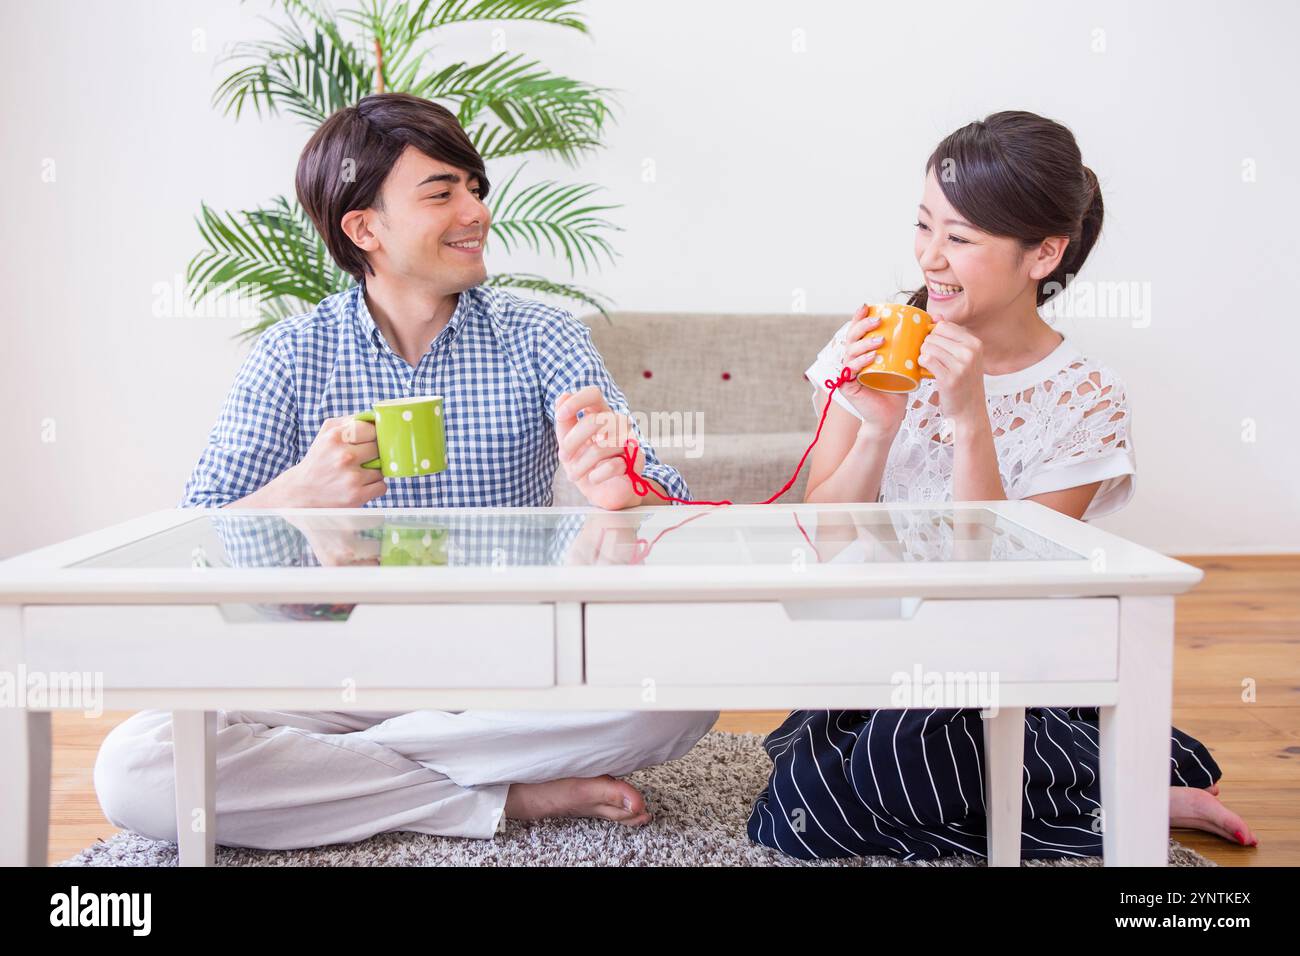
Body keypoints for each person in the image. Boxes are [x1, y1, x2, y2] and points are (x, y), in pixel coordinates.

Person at [93, 92, 717, 850]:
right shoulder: (294, 354)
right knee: (136, 768)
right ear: (365, 228)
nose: (476, 211)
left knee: (679, 698)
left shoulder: (543, 336)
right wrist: (299, 496)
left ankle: (343, 779)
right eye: (442, 192)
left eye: (476, 188)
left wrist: (623, 490)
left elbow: (671, 500)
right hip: (335, 668)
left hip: (511, 659)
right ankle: (500, 796)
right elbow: (191, 544)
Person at [746, 110, 1257, 861]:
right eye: (924, 227)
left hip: (1011, 654)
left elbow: (1005, 578)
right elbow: (825, 533)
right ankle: (1114, 784)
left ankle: (1119, 784)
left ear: (1042, 253)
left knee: (892, 764)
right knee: (792, 814)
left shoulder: (1087, 396)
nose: (930, 259)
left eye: (960, 238)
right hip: (882, 650)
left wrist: (969, 418)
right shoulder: (870, 345)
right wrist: (880, 426)